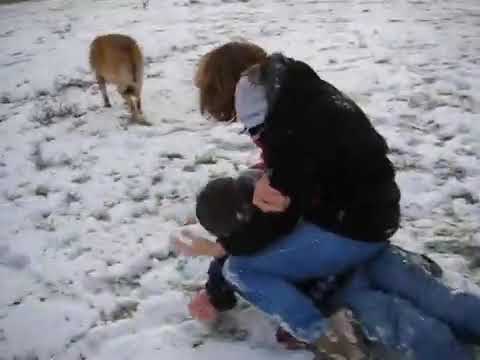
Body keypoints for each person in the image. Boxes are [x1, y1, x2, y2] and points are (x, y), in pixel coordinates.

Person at [186, 42, 480, 359]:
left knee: (240, 269)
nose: (249, 131)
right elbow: (308, 169)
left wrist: (227, 248)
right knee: (425, 293)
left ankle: (324, 334)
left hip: (347, 229)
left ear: (236, 93)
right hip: (376, 216)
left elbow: (280, 216)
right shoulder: (301, 92)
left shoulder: (284, 128)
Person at [176, 173, 478, 359]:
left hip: (347, 281)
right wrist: (211, 297)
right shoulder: (268, 198)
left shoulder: (242, 248)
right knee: (418, 311)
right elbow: (221, 281)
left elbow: (225, 274)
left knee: (417, 315)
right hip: (358, 267)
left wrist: (213, 293)